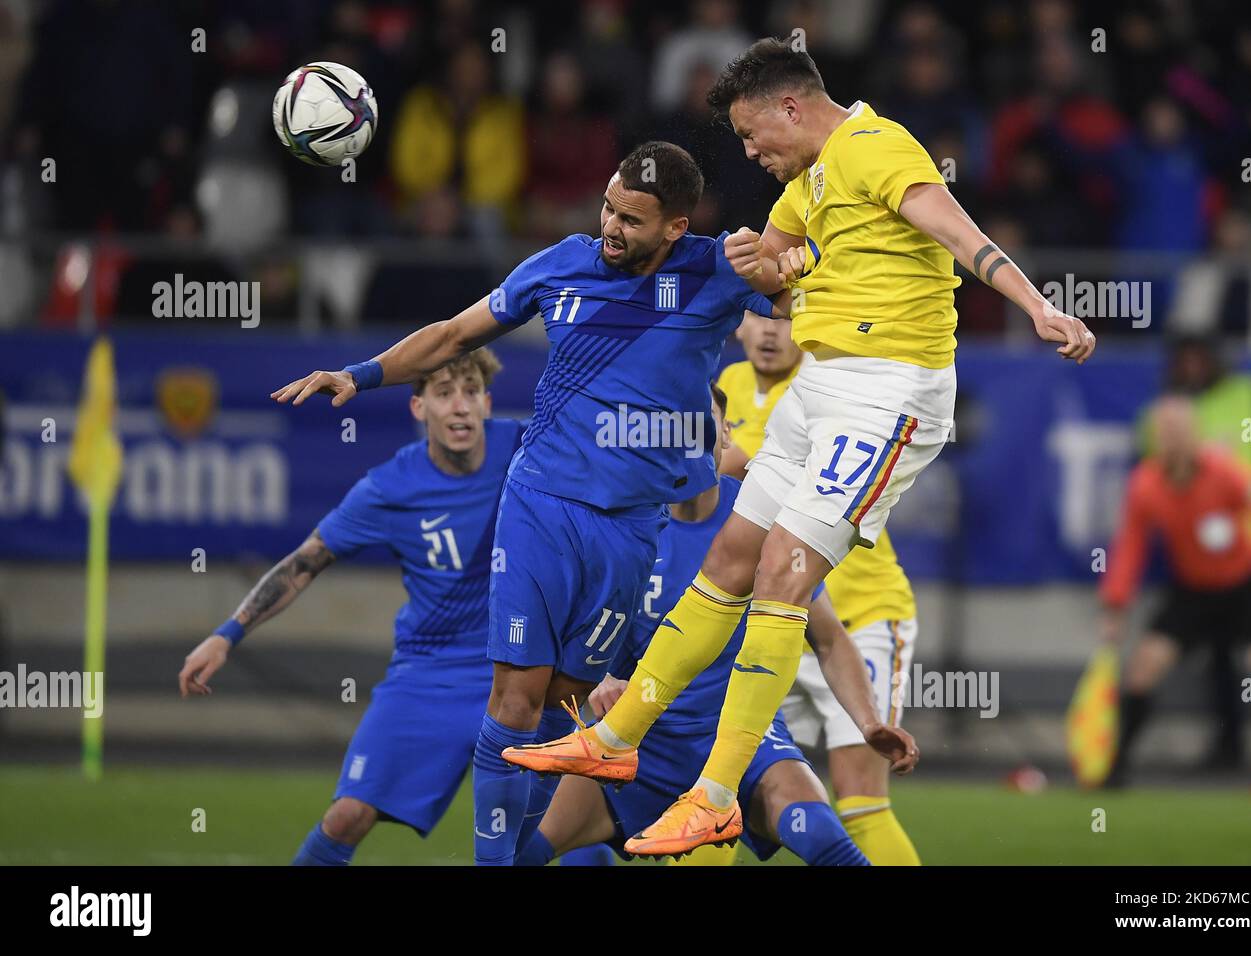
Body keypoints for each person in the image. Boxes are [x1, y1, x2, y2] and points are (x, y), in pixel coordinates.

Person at [518, 34, 1093, 857]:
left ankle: (715, 796)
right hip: (822, 384)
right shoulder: (808, 180)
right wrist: (762, 263)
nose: (753, 153)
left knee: (785, 567)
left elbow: (957, 230)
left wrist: (1036, 305)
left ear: (792, 106)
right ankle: (615, 740)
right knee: (732, 559)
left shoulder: (874, 148)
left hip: (889, 393)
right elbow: (777, 260)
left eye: (755, 136)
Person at [271, 141, 786, 866]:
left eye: (631, 220)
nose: (610, 227)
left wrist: (786, 261)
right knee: (514, 700)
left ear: (675, 226)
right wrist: (362, 373)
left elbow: (802, 296)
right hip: (541, 504)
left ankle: (529, 853)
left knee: (564, 708)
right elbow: (454, 334)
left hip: (633, 531)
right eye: (608, 208)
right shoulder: (562, 264)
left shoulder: (714, 271)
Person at [516, 388, 908, 866]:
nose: (689, 438)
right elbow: (573, 634)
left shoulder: (765, 522)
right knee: (519, 847)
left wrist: (867, 722)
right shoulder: (622, 523)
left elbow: (827, 639)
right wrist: (602, 678)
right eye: (676, 427)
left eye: (704, 423)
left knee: (821, 835)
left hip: (742, 738)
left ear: (726, 435)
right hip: (645, 741)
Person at [180, 351, 521, 864]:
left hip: (520, 672)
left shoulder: (522, 450)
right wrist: (227, 633)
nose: (460, 407)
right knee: (346, 817)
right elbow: (303, 564)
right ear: (417, 407)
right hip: (429, 677)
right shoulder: (388, 488)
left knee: (567, 818)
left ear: (487, 403)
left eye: (471, 392)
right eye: (444, 393)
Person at [718, 311, 921, 864]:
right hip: (778, 622)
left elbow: (739, 469)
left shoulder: (826, 383)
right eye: (759, 314)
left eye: (784, 319)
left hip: (856, 619)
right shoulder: (727, 386)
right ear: (738, 324)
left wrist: (717, 458)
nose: (769, 330)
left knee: (861, 803)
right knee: (722, 786)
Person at [1100, 395, 1251, 786]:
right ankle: (1115, 768)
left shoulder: (1225, 470)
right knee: (1143, 667)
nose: (1173, 439)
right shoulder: (1145, 484)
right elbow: (1130, 547)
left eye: (1180, 431)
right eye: (1165, 432)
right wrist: (1116, 604)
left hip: (1247, 583)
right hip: (1192, 588)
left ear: (1195, 435)